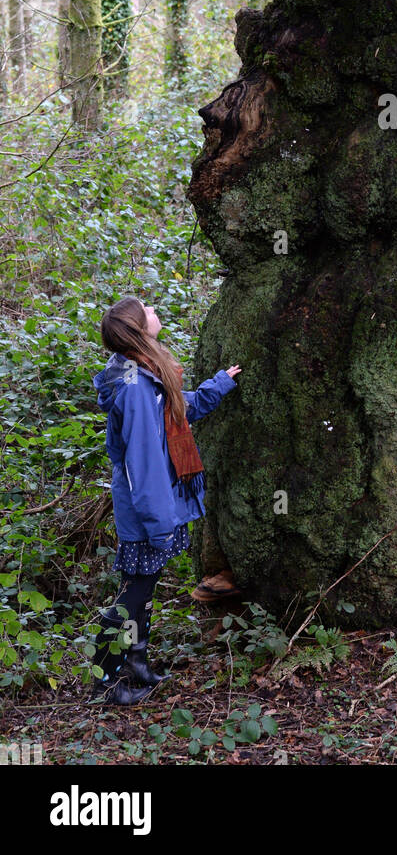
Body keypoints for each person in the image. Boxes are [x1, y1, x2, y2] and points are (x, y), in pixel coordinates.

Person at [90, 295, 240, 704]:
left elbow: (178, 410)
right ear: (138, 328)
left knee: (143, 587)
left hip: (153, 506)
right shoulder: (135, 386)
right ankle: (106, 680)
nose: (155, 313)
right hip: (146, 510)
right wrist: (158, 523)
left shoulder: (145, 373)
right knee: (133, 593)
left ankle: (136, 661)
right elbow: (144, 464)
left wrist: (218, 385)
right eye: (149, 311)